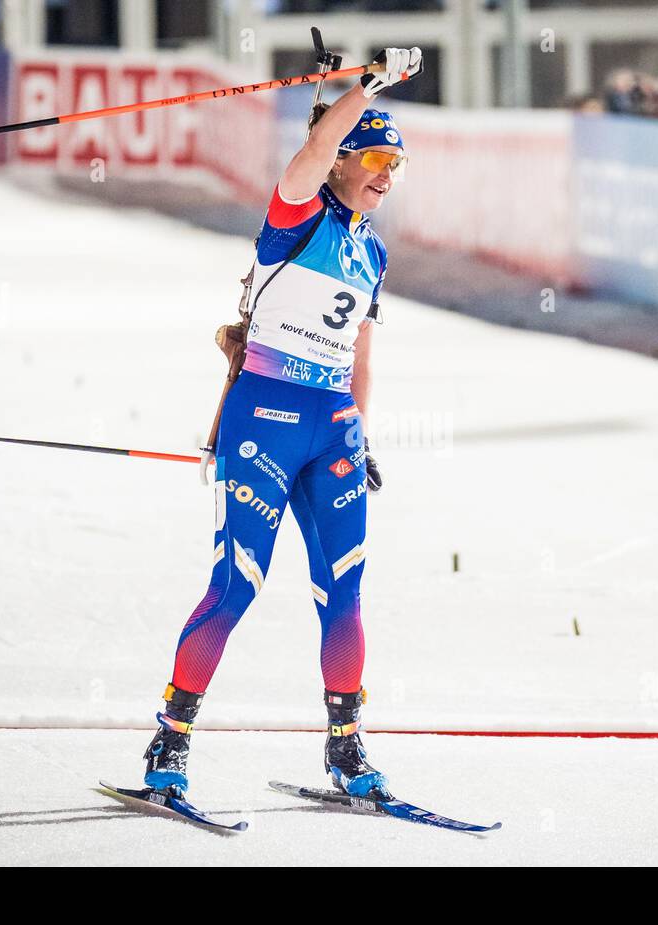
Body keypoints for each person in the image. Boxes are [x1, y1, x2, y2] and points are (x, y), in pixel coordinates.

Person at [141, 47, 423, 801]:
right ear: (340, 162)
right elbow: (317, 148)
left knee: (345, 592)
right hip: (264, 418)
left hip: (330, 425)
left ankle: (345, 747)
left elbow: (361, 351)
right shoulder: (294, 211)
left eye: (395, 162)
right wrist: (368, 85)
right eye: (373, 157)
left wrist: (360, 429)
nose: (385, 173)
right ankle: (170, 740)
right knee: (237, 587)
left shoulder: (374, 251)